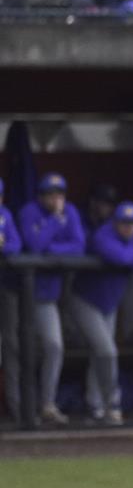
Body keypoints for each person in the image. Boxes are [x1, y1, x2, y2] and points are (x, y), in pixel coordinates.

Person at [70, 199, 133, 425]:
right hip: (85, 301)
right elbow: (121, 257)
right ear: (115, 222)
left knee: (100, 354)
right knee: (107, 352)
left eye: (132, 223)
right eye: (124, 223)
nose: (128, 227)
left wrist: (132, 253)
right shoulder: (102, 235)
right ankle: (112, 403)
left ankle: (94, 406)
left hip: (109, 305)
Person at [19, 173, 85, 425]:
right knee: (17, 351)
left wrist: (52, 248)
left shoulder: (70, 212)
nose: (56, 200)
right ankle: (22, 407)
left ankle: (47, 403)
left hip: (50, 295)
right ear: (41, 195)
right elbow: (34, 245)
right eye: (51, 195)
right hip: (21, 294)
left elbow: (79, 247)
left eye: (60, 195)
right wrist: (56, 223)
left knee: (54, 346)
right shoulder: (29, 211)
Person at [0, 177, 22, 421]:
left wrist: (3, 246)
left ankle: (17, 409)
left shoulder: (5, 214)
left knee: (12, 347)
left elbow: (15, 245)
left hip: (6, 289)